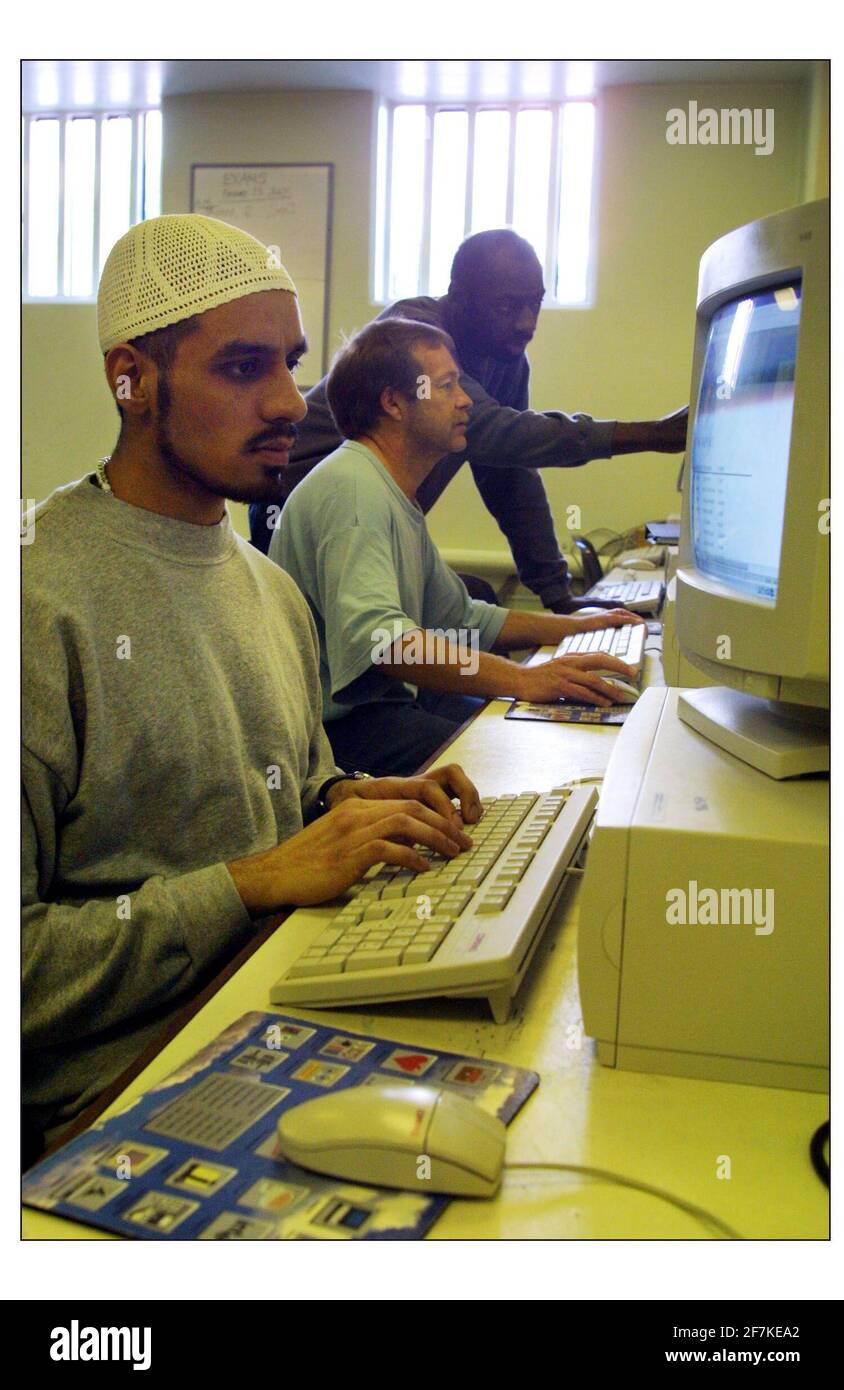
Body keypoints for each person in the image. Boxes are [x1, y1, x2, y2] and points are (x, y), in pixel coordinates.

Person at [22, 214, 481, 1144]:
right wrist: (253, 882)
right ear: (132, 379)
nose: (288, 401)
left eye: (291, 362)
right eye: (244, 368)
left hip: (281, 1000)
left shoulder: (270, 589)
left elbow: (286, 787)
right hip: (129, 1085)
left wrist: (353, 800)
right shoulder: (36, 601)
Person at [269, 317, 643, 776]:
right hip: (336, 735)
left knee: (524, 729)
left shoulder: (387, 489)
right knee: (520, 749)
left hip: (374, 712)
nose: (465, 400)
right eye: (446, 386)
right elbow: (385, 642)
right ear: (394, 403)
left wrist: (573, 629)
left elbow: (462, 619)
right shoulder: (354, 489)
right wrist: (524, 679)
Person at [250, 228, 687, 612]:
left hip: (383, 530)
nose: (526, 323)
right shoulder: (413, 337)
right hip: (304, 521)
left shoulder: (506, 359)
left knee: (475, 607)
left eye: (535, 304)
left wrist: (557, 596)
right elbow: (497, 432)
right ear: (458, 297)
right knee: (404, 642)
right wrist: (653, 434)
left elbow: (509, 473)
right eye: (508, 307)